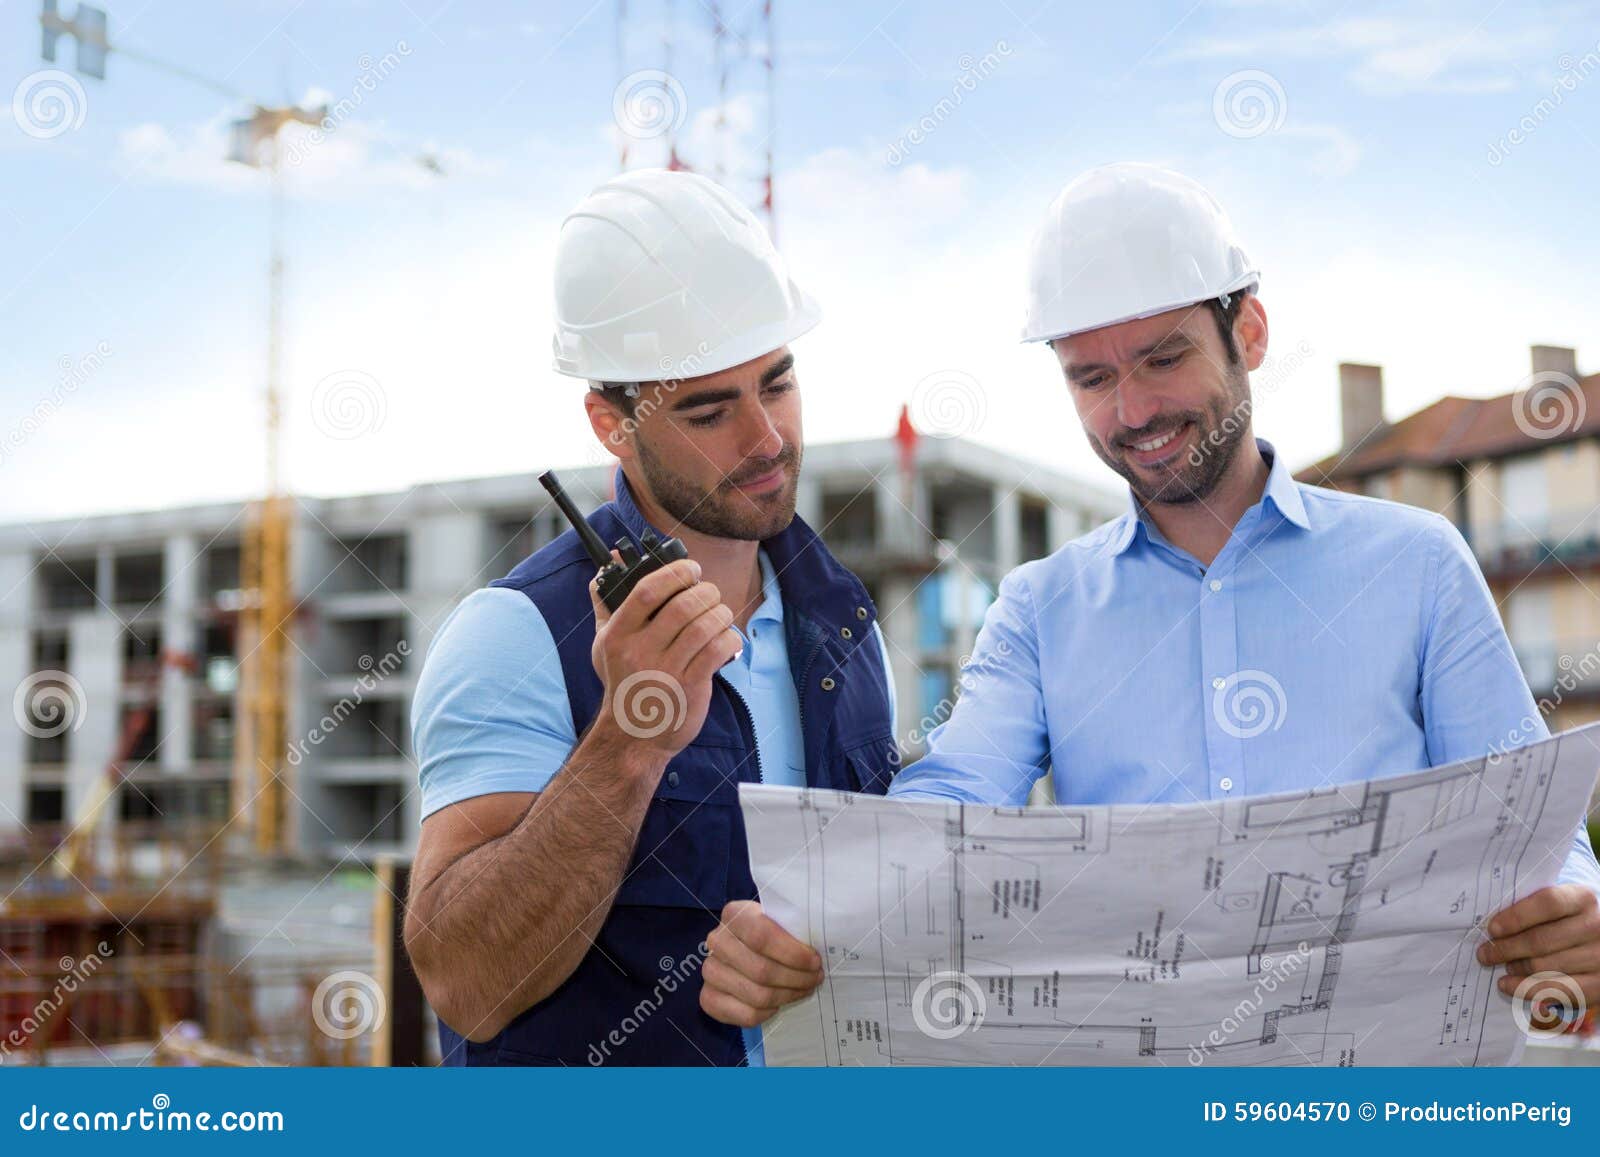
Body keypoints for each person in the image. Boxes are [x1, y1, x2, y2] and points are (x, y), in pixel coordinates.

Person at [698, 162, 1600, 1038]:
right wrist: (807, 919)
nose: (1132, 410)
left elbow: (1532, 822)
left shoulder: (1416, 564)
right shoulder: (1039, 609)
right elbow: (947, 807)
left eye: (1163, 358)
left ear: (1248, 332)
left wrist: (1578, 910)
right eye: (1091, 378)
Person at [405, 168, 897, 1065]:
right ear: (610, 423)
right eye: (710, 410)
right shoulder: (515, 634)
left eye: (777, 385)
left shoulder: (847, 625)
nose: (767, 438)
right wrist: (629, 737)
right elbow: (467, 983)